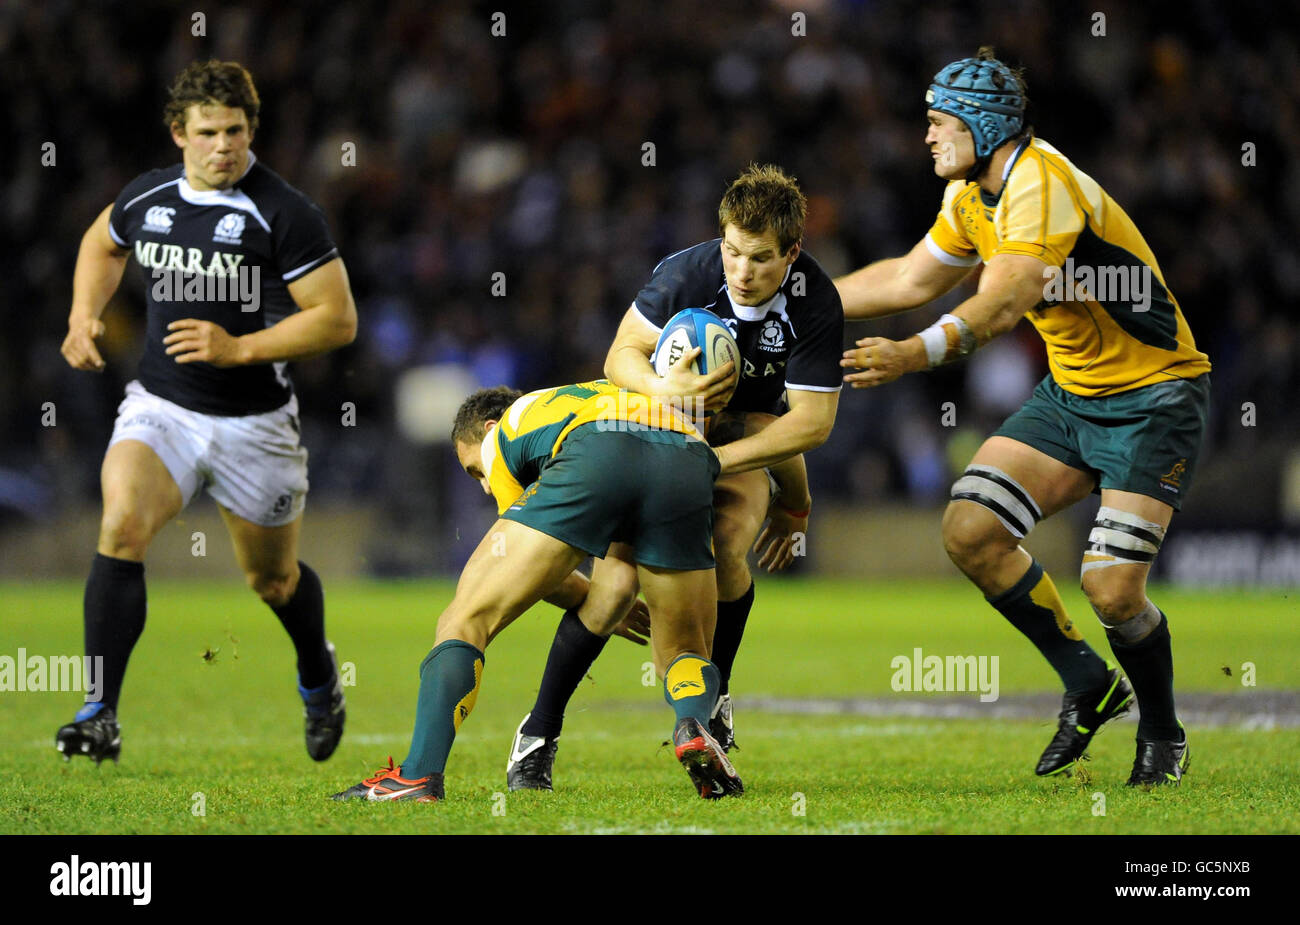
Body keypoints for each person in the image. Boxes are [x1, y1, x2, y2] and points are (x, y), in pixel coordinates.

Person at [836, 48, 1209, 786]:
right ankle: (1088, 680)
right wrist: (801, 300)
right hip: (1072, 396)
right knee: (970, 528)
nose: (927, 136)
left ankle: (1163, 733)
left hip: (1154, 396)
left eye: (939, 122)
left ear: (981, 124)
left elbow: (1004, 301)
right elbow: (911, 276)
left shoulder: (1041, 183)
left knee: (1110, 589)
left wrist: (914, 352)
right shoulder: (975, 194)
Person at [503, 164, 844, 791]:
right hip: (657, 431)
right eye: (733, 251)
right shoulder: (687, 272)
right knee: (612, 590)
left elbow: (810, 423)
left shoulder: (816, 301)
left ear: (792, 252)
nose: (742, 271)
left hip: (738, 437)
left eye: (761, 259)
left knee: (728, 554)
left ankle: (710, 708)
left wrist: (771, 490)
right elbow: (619, 356)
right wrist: (666, 387)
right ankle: (539, 732)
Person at [55, 60, 358, 765]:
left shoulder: (284, 212)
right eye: (210, 133)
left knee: (273, 582)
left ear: (251, 130)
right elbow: (101, 243)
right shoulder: (148, 197)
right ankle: (100, 709)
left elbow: (337, 320)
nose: (225, 146)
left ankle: (318, 673)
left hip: (255, 424)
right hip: (163, 406)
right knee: (122, 524)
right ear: (178, 134)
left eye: (237, 131)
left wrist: (238, 346)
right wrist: (82, 314)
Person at [333, 381, 742, 801]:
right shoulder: (599, 394)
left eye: (476, 470)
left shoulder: (510, 426)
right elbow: (616, 580)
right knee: (682, 651)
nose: (486, 487)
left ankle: (416, 776)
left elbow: (545, 576)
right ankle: (692, 726)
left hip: (598, 452)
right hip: (688, 458)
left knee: (465, 617)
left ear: (489, 428)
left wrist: (584, 595)